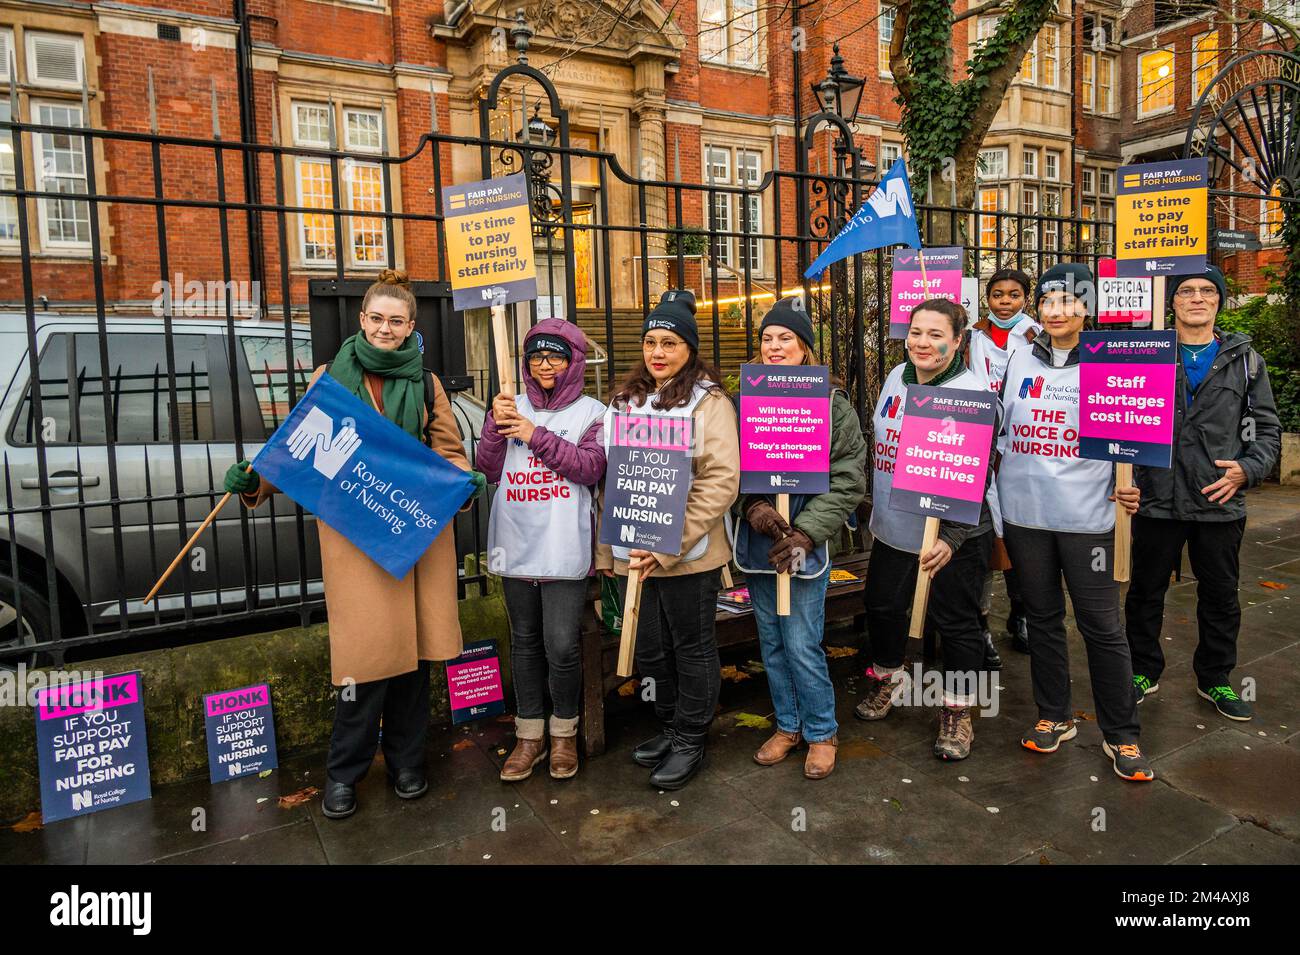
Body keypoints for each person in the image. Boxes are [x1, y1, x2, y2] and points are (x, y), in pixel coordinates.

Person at [223, 269, 485, 818]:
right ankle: (344, 773)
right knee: (364, 665)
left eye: (397, 321)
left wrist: (462, 484)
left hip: (414, 532)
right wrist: (257, 483)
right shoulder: (330, 378)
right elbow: (295, 444)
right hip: (356, 535)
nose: (386, 329)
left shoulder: (428, 383)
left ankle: (408, 763)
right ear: (362, 321)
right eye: (378, 319)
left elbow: (449, 451)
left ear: (411, 325)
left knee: (414, 661)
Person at [995, 263, 1151, 782]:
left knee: (1103, 627)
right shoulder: (1017, 357)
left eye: (1070, 301)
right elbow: (997, 426)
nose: (1058, 311)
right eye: (1049, 301)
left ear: (1089, 307)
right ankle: (1054, 715)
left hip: (1089, 517)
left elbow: (1142, 430)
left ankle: (1122, 734)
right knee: (1040, 619)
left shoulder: (1115, 359)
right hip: (1026, 516)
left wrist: (1135, 483)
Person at [595, 290, 739, 791]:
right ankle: (671, 724)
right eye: (651, 341)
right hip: (632, 549)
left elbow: (720, 481)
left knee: (691, 647)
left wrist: (666, 543)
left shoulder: (710, 403)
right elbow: (612, 475)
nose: (658, 352)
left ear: (690, 349)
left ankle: (691, 738)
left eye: (671, 343)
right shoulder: (624, 400)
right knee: (651, 650)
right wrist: (612, 545)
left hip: (686, 557)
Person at [1125, 265, 1281, 721]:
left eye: (1207, 291)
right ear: (1171, 302)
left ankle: (1215, 677)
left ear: (1219, 301)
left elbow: (1267, 430)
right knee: (1145, 591)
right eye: (1187, 291)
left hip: (1219, 500)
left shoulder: (1246, 359)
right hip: (1156, 497)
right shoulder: (1146, 355)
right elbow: (1116, 419)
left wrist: (1247, 471)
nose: (1197, 298)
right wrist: (1123, 480)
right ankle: (1141, 670)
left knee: (1220, 595)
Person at [856, 298, 997, 762]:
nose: (923, 342)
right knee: (883, 608)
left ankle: (957, 710)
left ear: (958, 341)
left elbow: (980, 474)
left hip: (951, 538)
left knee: (957, 624)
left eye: (937, 334)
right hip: (895, 528)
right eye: (916, 331)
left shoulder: (974, 394)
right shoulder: (897, 378)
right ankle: (889, 678)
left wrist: (952, 539)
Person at [732, 296, 867, 779]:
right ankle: (788, 726)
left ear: (804, 347)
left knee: (802, 641)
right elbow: (728, 468)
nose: (774, 346)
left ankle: (822, 730)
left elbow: (850, 478)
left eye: (785, 338)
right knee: (770, 640)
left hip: (804, 546)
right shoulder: (743, 398)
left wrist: (806, 533)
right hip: (759, 545)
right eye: (767, 338)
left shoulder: (832, 404)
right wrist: (752, 504)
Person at [477, 319, 606, 780]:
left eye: (555, 356)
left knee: (561, 645)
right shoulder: (510, 405)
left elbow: (589, 468)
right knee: (525, 644)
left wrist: (533, 433)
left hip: (563, 548)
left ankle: (564, 733)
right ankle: (528, 734)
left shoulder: (593, 413)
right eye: (536, 356)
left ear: (573, 361)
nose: (545, 364)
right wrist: (496, 425)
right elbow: (488, 470)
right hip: (514, 542)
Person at [969, 267, 1040, 657]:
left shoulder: (1037, 335)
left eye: (1013, 295)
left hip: (1022, 441)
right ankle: (980, 624)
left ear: (1025, 299)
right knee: (984, 532)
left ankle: (1022, 614)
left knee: (1018, 531)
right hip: (979, 439)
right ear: (988, 299)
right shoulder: (972, 336)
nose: (1005, 302)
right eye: (998, 295)